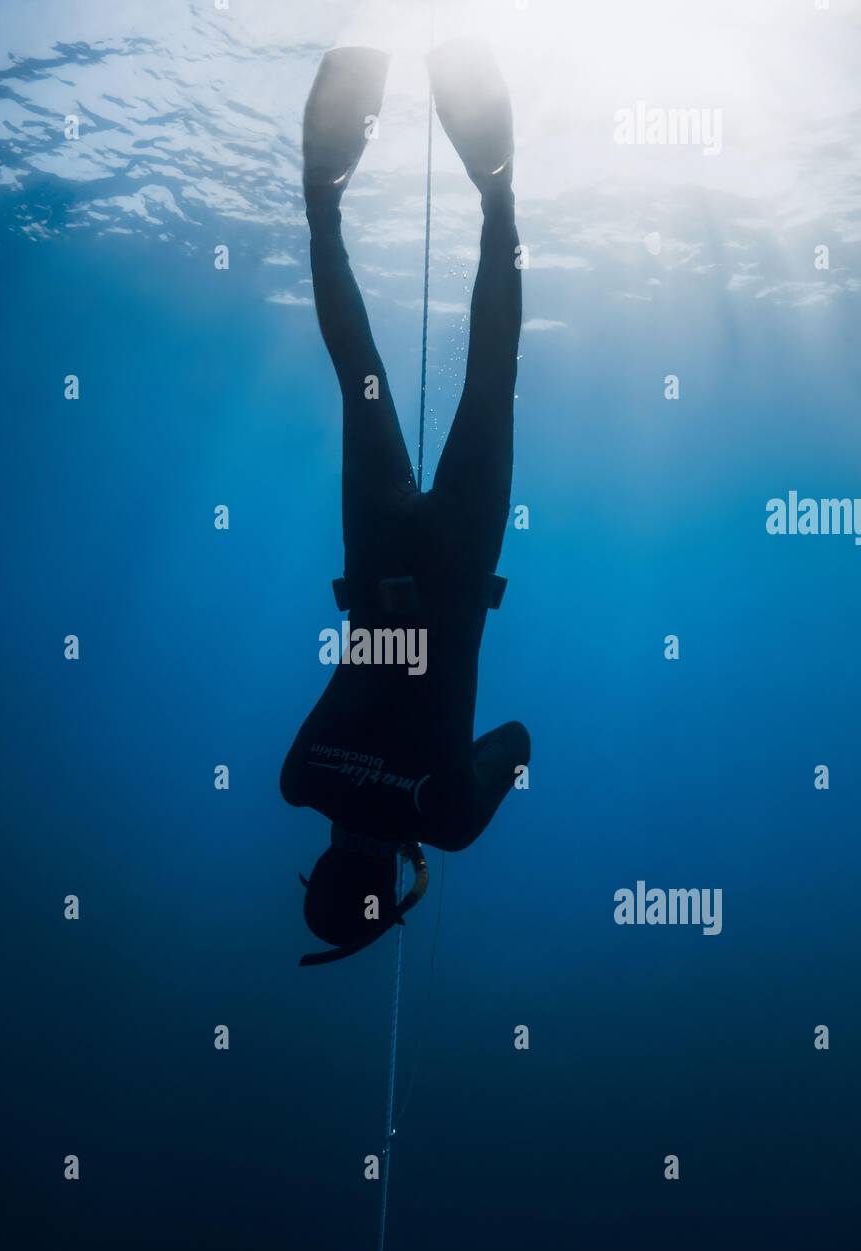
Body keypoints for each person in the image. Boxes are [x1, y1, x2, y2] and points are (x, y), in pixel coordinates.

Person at [281, 39, 530, 965]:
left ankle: (496, 186)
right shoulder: (298, 781)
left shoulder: (447, 819)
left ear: (388, 895)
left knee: (490, 381)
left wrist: (429, 829)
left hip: (457, 566)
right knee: (361, 381)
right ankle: (322, 203)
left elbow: (516, 740)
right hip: (380, 558)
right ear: (318, 873)